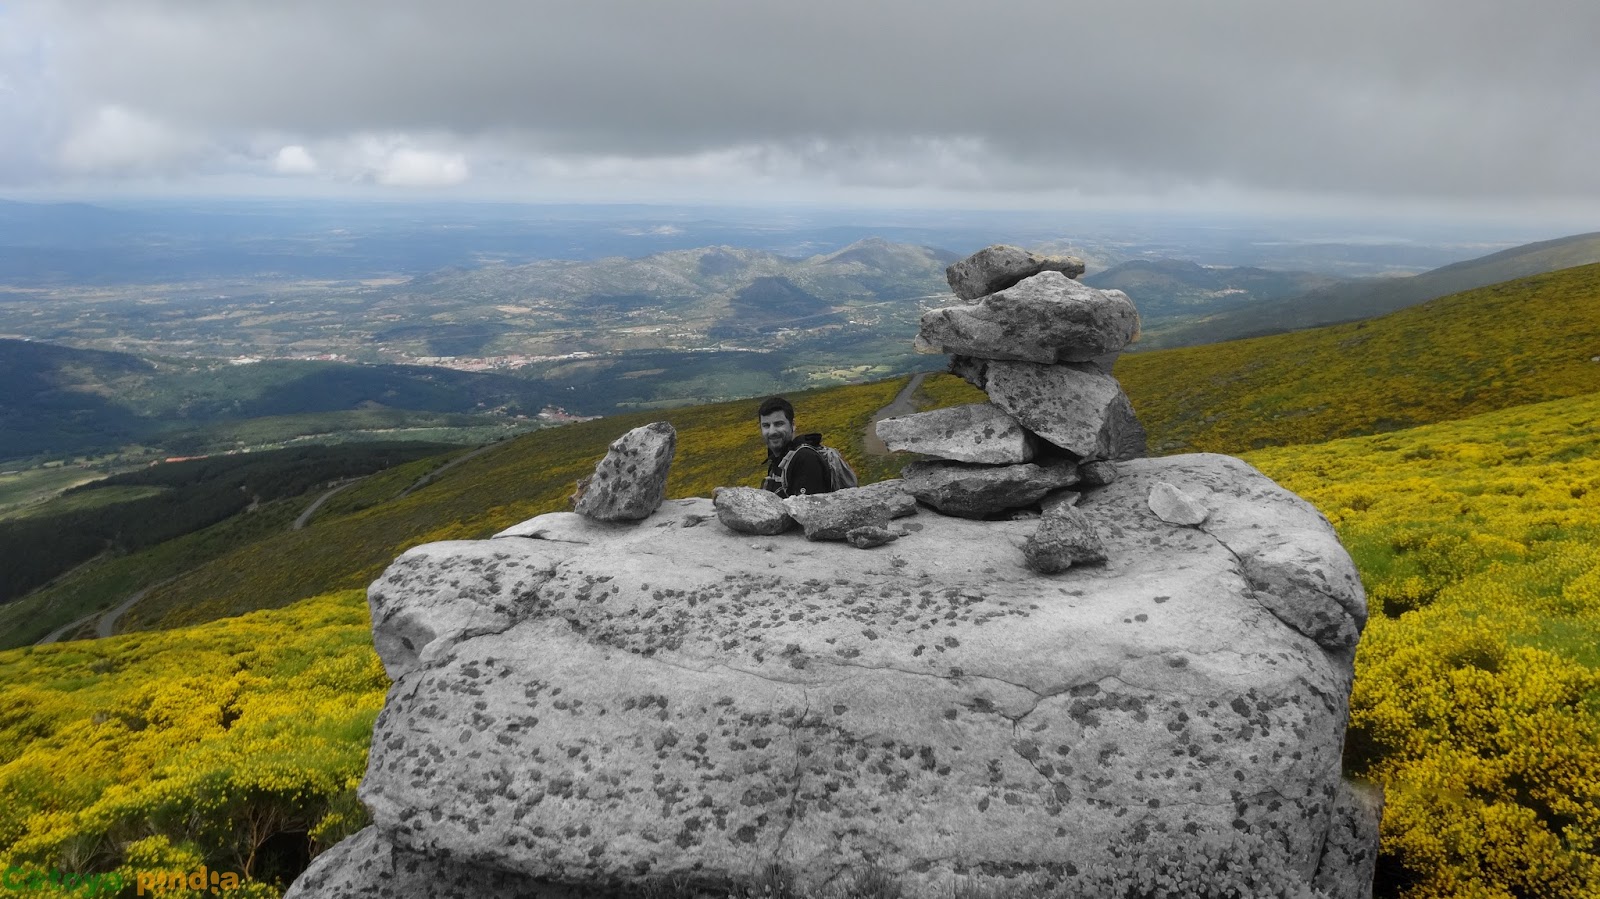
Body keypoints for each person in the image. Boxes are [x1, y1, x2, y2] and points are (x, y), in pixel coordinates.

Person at [757, 396, 833, 498]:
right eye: (766, 425)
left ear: (792, 425)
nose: (772, 432)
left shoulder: (806, 459)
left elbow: (811, 507)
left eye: (778, 424)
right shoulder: (778, 460)